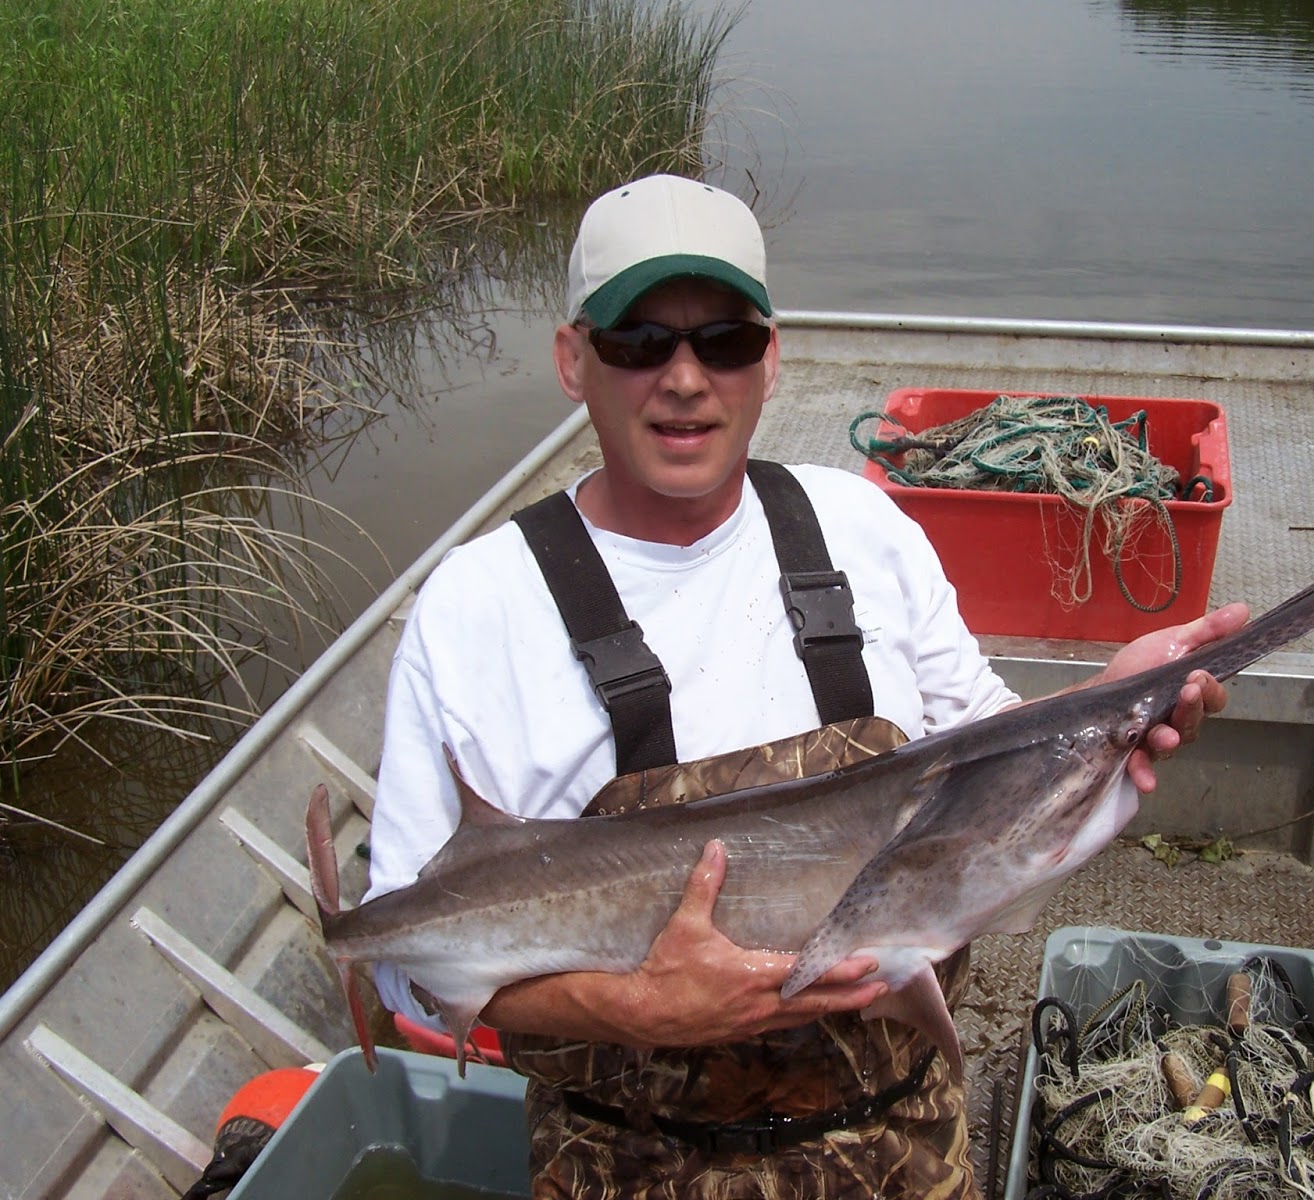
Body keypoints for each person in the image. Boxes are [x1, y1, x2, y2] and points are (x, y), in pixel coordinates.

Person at [363, 173, 1246, 1198]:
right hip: (625, 1166)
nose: (685, 378)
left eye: (723, 340)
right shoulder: (481, 604)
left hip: (903, 1151)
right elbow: (406, 949)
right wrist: (638, 1007)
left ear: (771, 358)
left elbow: (984, 747)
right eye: (639, 341)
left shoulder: (861, 529)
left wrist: (1104, 702)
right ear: (574, 360)